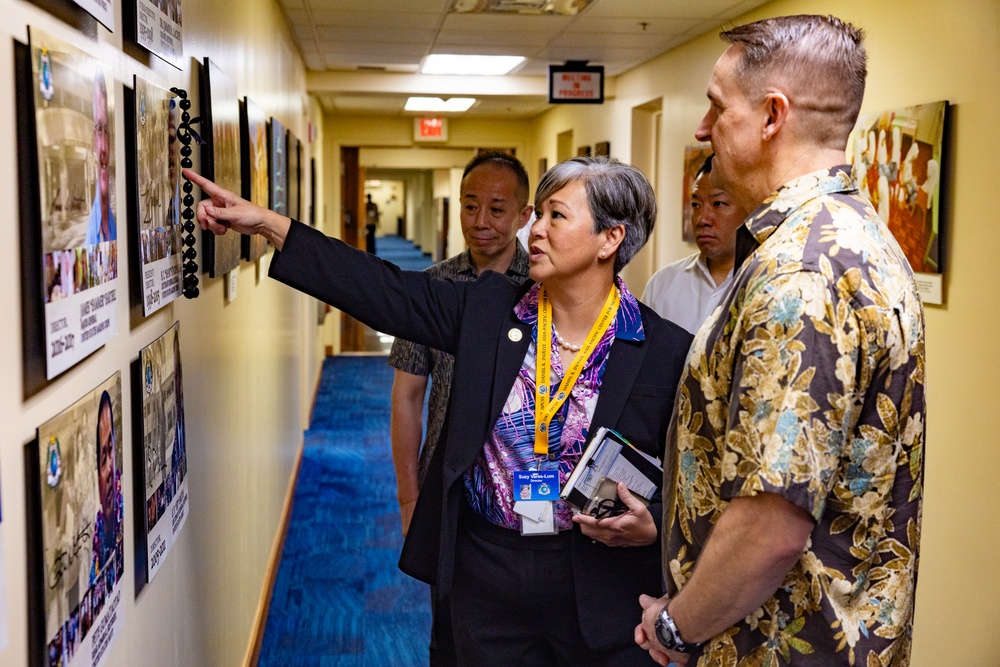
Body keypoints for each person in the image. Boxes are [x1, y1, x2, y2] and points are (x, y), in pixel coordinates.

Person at [186, 156, 693, 666]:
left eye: (556, 216)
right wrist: (270, 225)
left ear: (610, 239)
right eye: (537, 214)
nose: (535, 229)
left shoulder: (666, 351)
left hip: (598, 580)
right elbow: (382, 289)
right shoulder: (487, 310)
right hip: (488, 567)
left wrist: (653, 524)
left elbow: (695, 481)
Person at [634, 15, 926, 667]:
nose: (703, 128)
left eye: (717, 107)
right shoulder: (858, 235)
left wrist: (676, 626)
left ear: (772, 115)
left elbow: (770, 523)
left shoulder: (801, 274)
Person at [388, 151, 532, 666]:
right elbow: (407, 397)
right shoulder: (434, 286)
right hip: (448, 485)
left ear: (524, 215)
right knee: (449, 628)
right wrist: (409, 496)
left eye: (497, 209)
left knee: (522, 628)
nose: (481, 221)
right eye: (471, 206)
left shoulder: (545, 287)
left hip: (526, 487)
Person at [641, 154, 746, 334]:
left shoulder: (765, 282)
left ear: (749, 208)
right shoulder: (663, 283)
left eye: (718, 203)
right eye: (696, 205)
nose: (702, 219)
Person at [91, 390, 123, 585]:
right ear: (98, 479)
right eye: (104, 459)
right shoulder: (96, 540)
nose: (110, 467)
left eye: (111, 452)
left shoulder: (124, 506)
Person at [85, 71, 115, 246]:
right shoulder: (89, 240)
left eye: (106, 130)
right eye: (98, 130)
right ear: (92, 139)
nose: (103, 148)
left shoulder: (114, 226)